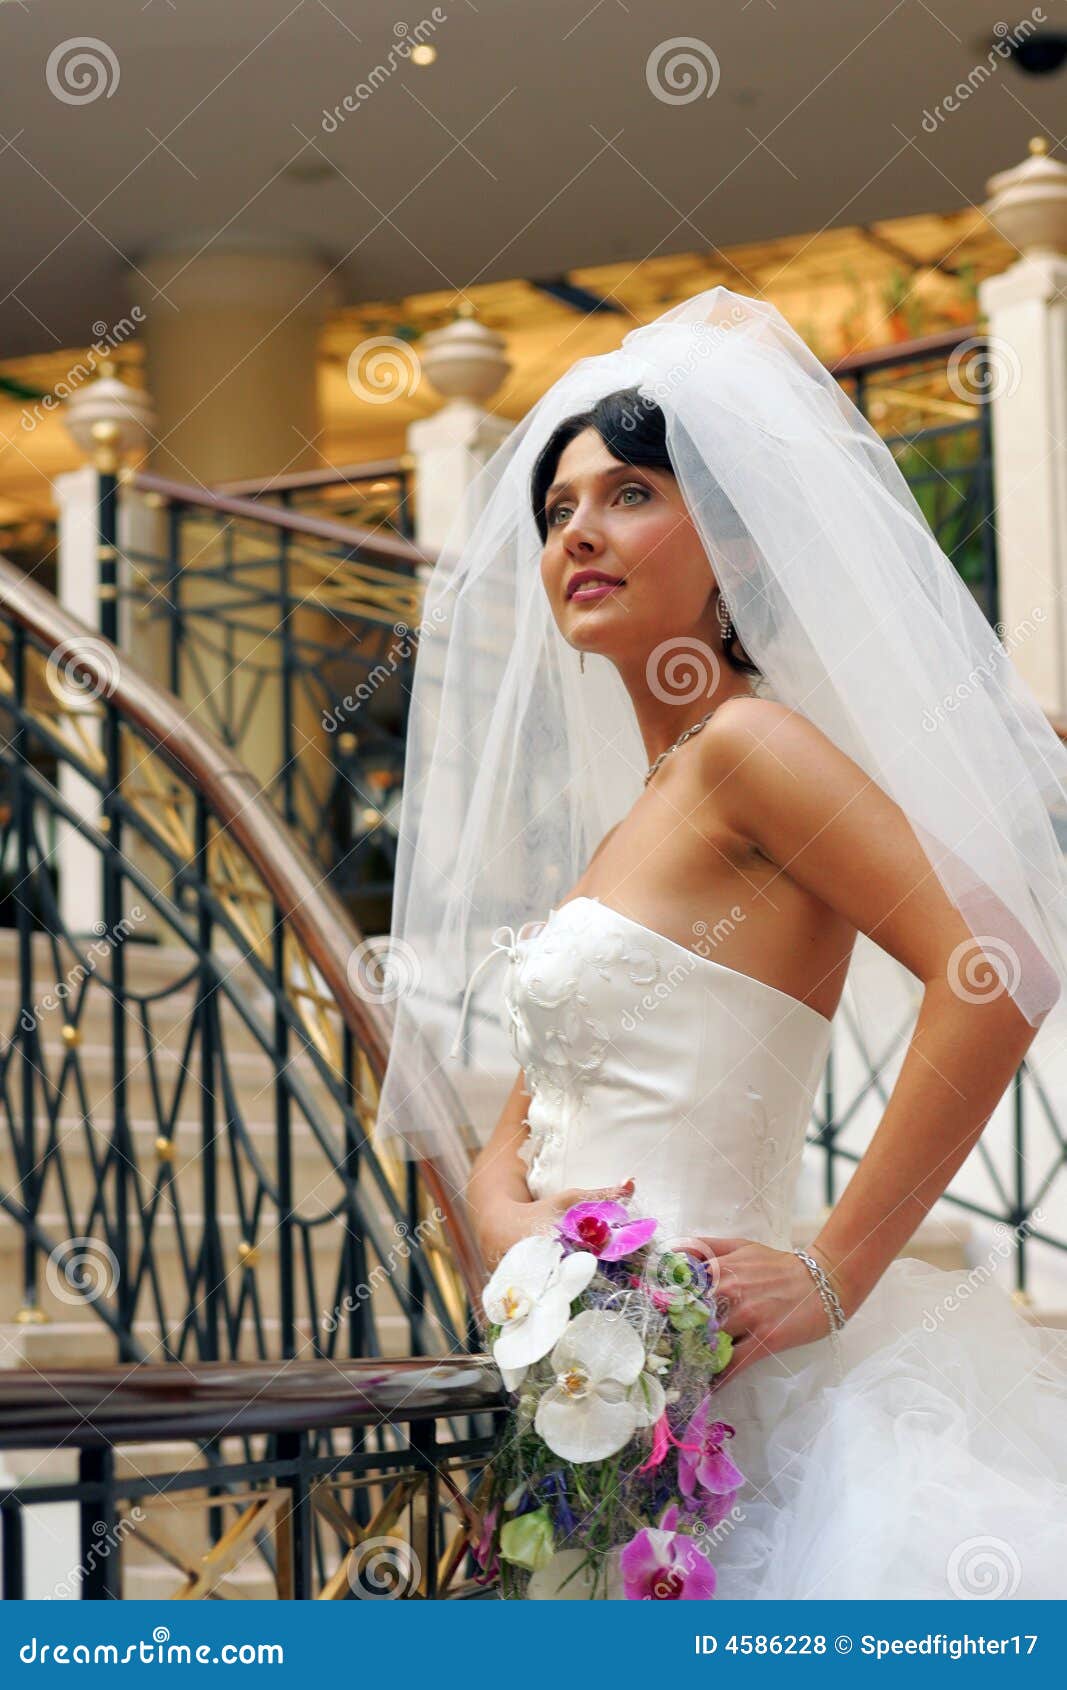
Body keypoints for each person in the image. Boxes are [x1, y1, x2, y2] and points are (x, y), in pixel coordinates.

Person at [375, 288, 1067, 1598]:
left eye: (629, 492)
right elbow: (517, 1140)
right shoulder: (639, 809)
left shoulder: (750, 748)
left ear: (739, 557)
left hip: (740, 1395)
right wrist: (534, 1245)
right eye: (557, 508)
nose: (579, 528)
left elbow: (1002, 969)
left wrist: (835, 1266)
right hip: (601, 1398)